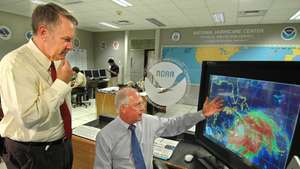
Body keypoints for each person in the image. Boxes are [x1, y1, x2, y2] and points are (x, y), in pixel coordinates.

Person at [0, 3, 77, 169]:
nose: (71, 46)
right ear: (43, 32)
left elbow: (58, 100)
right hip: (32, 153)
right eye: (66, 39)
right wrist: (61, 83)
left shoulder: (56, 61)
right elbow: (29, 117)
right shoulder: (15, 64)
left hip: (62, 145)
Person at [94, 87, 224, 169]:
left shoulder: (148, 121)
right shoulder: (105, 136)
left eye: (142, 103)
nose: (143, 108)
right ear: (123, 108)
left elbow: (175, 124)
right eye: (138, 104)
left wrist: (202, 114)